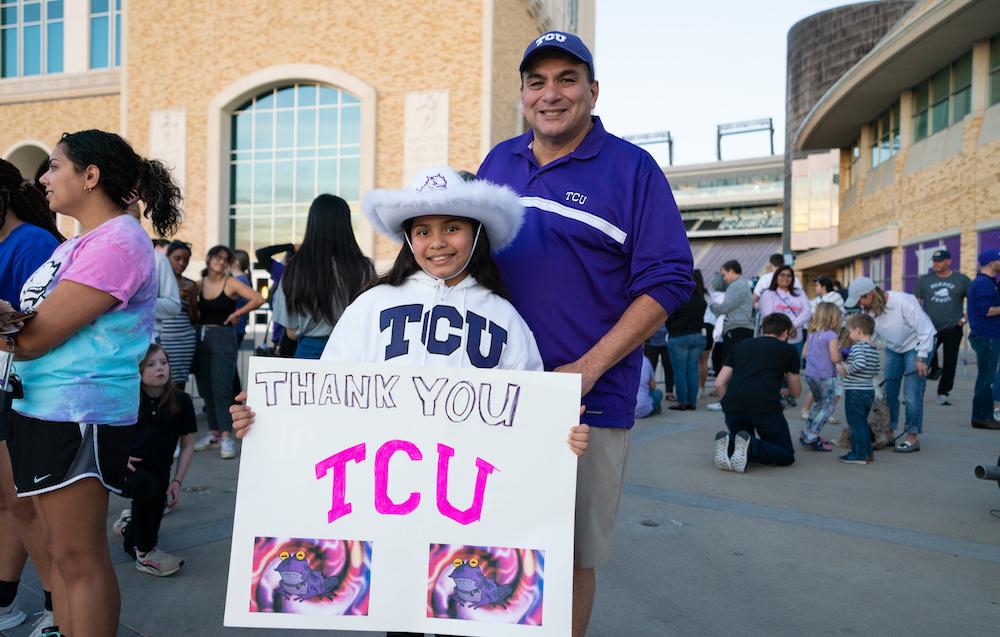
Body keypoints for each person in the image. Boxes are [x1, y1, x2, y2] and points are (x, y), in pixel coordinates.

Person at [229, 165, 590, 637]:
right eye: (422, 231)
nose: (436, 242)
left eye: (451, 228)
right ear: (408, 239)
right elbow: (324, 395)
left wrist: (560, 435)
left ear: (476, 234)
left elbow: (528, 408)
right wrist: (265, 418)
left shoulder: (504, 316)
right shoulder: (371, 306)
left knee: (463, 615)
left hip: (469, 503)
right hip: (383, 498)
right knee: (399, 615)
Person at [475, 31, 693, 635]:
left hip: (586, 402)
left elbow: (671, 280)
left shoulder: (632, 169)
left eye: (567, 79)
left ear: (592, 91)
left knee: (568, 553)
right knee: (485, 540)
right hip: (490, 400)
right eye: (537, 82)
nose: (552, 94)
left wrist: (587, 368)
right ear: (521, 94)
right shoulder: (497, 163)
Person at [6, 128, 182, 637]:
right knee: (61, 557)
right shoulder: (84, 241)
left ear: (90, 175)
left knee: (79, 559)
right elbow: (32, 328)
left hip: (77, 412)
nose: (43, 177)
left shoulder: (119, 240)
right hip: (43, 407)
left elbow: (37, 337)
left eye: (55, 165)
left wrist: (14, 326)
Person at [0, 158, 62, 633]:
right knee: (8, 502)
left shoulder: (33, 243)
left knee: (23, 501)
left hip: (23, 384)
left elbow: (40, 328)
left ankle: (58, 606)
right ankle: (7, 599)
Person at [112, 344, 195, 576]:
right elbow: (105, 430)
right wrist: (119, 455)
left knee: (156, 501)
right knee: (148, 492)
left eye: (163, 362)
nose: (160, 368)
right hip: (128, 469)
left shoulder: (182, 401)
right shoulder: (127, 398)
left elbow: (188, 445)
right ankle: (145, 554)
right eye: (151, 364)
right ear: (138, 369)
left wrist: (177, 482)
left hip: (161, 470)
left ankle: (130, 523)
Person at [270, 194, 375, 360]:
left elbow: (291, 332)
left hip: (308, 353)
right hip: (351, 354)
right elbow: (371, 320)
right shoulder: (364, 268)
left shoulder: (296, 269)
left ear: (312, 224)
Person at [846, 277, 935, 452]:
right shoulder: (870, 311)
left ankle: (912, 437)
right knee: (889, 393)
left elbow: (926, 330)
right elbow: (871, 337)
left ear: (870, 294)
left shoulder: (903, 301)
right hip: (894, 348)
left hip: (916, 345)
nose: (861, 305)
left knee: (911, 394)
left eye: (861, 300)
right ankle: (889, 433)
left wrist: (922, 358)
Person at [193, 245, 264, 460]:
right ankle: (214, 432)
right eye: (217, 257)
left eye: (225, 259)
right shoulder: (198, 284)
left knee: (222, 387)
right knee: (205, 387)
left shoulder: (230, 282)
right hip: (201, 337)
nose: (221, 261)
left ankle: (226, 436)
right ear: (208, 258)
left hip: (224, 337)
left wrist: (238, 313)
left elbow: (258, 299)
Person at [713, 313, 801, 472]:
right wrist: (785, 390)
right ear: (786, 332)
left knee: (742, 439)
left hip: (734, 405)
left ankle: (731, 446)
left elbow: (719, 383)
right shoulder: (789, 351)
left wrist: (727, 403)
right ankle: (751, 446)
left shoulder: (741, 345)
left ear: (763, 329)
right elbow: (796, 392)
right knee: (786, 454)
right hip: (765, 407)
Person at [914, 249, 970, 406]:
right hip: (929, 328)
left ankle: (943, 393)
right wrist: (917, 323)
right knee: (922, 359)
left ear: (949, 261)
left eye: (939, 261)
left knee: (950, 362)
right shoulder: (924, 280)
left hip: (953, 327)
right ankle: (916, 392)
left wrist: (964, 319)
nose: (936, 264)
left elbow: (974, 301)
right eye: (934, 261)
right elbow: (916, 303)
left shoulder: (962, 279)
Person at [707, 260, 753, 411]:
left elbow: (726, 307)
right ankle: (735, 400)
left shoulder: (736, 285)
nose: (724, 278)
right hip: (742, 329)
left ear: (732, 271)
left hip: (736, 329)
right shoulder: (743, 284)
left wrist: (711, 306)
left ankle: (728, 401)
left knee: (730, 366)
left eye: (724, 274)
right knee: (737, 367)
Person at [836, 313, 881, 464]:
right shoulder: (873, 348)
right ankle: (867, 452)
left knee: (855, 423)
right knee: (862, 422)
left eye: (850, 331)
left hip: (856, 391)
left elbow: (860, 364)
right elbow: (875, 370)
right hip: (868, 389)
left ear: (858, 330)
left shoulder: (857, 348)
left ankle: (859, 455)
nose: (849, 334)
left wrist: (847, 369)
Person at [799, 302, 843, 451]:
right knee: (828, 407)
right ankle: (812, 436)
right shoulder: (831, 335)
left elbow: (804, 354)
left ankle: (807, 432)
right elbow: (834, 357)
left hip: (810, 375)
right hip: (825, 376)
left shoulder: (811, 333)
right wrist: (841, 356)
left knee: (818, 404)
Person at [967, 249, 1000, 430]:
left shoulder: (989, 282)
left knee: (987, 377)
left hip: (988, 335)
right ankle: (981, 417)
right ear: (991, 263)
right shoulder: (983, 284)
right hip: (986, 335)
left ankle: (983, 415)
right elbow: (985, 310)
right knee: (986, 378)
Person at [160, 241, 198, 389]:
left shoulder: (190, 285)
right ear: (167, 257)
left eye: (186, 260)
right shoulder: (156, 281)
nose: (182, 263)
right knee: (159, 379)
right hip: (162, 338)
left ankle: (177, 412)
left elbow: (194, 319)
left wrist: (192, 300)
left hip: (184, 340)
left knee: (179, 384)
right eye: (177, 258)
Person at [666, 275, 707, 410]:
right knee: (692, 369)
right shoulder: (701, 300)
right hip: (697, 336)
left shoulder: (680, 298)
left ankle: (682, 402)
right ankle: (692, 402)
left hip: (679, 337)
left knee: (680, 371)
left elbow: (669, 317)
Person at [255, 242, 298, 357]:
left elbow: (261, 254)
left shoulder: (284, 273)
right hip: (301, 334)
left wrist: (290, 247)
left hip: (284, 334)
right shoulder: (314, 275)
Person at [758, 264, 811, 356]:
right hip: (775, 339)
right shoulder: (768, 294)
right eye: (782, 275)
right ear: (776, 276)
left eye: (789, 275)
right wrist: (787, 329)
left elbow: (807, 312)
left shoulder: (800, 292)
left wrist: (793, 326)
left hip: (796, 338)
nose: (785, 278)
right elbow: (768, 316)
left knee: (794, 367)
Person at [696, 270, 716, 397]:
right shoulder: (708, 295)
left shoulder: (692, 295)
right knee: (704, 361)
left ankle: (695, 388)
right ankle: (701, 388)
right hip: (709, 328)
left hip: (698, 326)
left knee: (695, 361)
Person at [643, 325, 673, 400]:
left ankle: (669, 391)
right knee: (650, 368)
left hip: (666, 343)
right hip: (651, 343)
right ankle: (648, 391)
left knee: (668, 367)